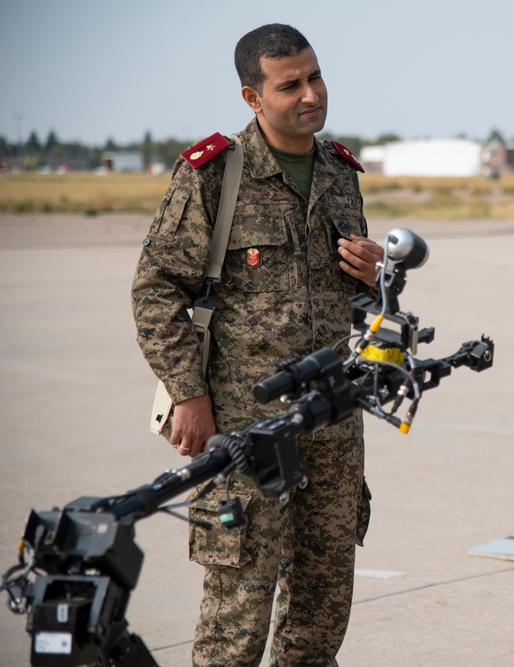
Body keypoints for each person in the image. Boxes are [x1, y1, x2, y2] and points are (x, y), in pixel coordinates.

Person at [131, 23, 383, 666]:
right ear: (252, 96)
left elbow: (352, 299)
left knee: (322, 611)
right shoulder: (215, 175)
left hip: (332, 419)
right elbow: (157, 290)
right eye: (290, 84)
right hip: (246, 425)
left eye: (316, 76)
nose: (310, 95)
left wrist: (375, 274)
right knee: (237, 614)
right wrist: (189, 395)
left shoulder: (339, 171)